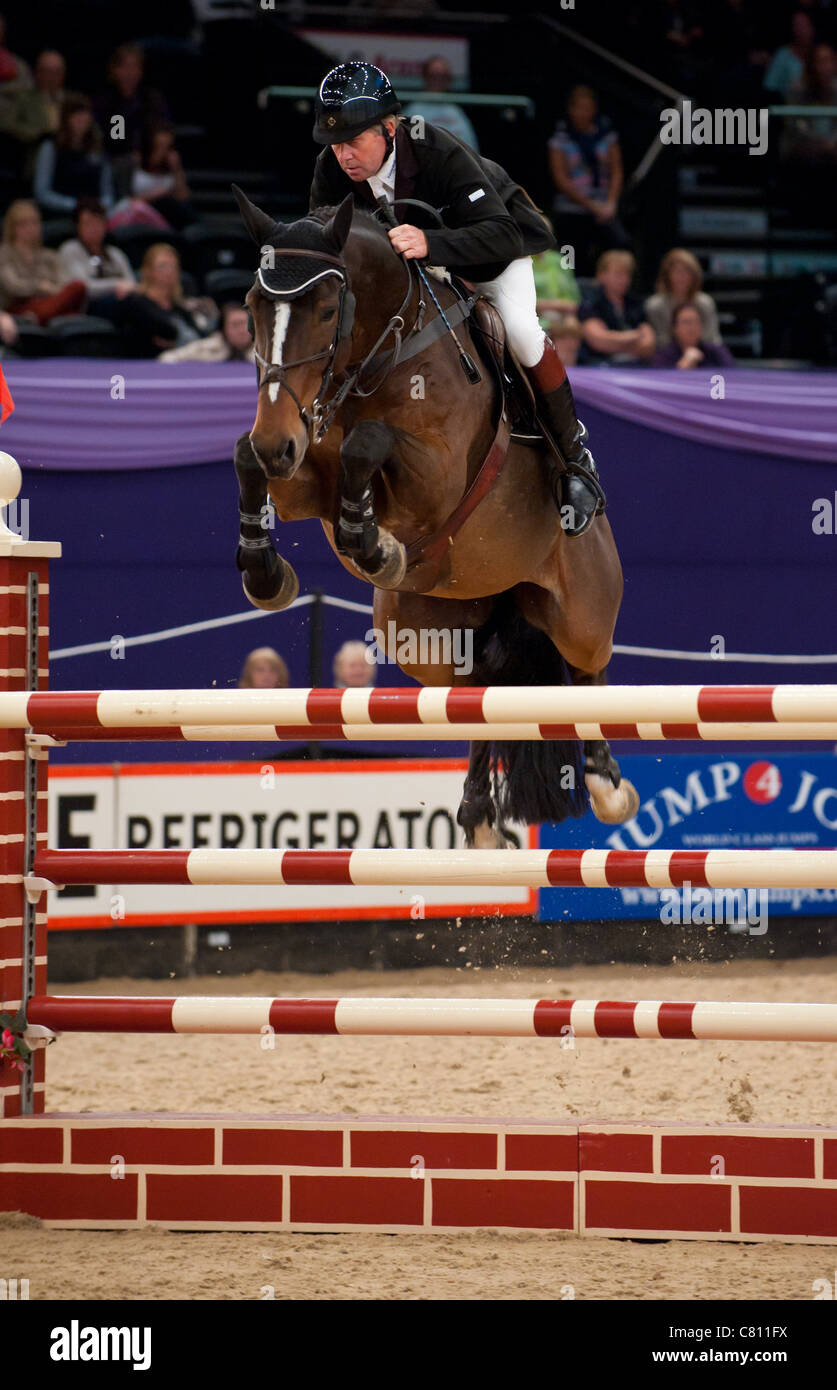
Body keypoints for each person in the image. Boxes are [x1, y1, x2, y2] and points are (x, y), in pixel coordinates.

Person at [309, 60, 601, 536]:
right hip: (415, 272)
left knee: (523, 333)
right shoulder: (332, 170)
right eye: (336, 143)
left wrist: (432, 243)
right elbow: (328, 251)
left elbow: (501, 236)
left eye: (354, 140)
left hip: (491, 255)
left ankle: (574, 458)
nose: (344, 155)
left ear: (389, 127)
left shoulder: (437, 149)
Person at [547, 85, 631, 275]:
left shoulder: (606, 135)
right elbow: (560, 179)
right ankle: (569, 290)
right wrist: (591, 205)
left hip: (604, 208)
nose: (584, 112)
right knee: (571, 255)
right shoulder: (560, 137)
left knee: (620, 243)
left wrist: (610, 204)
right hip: (572, 209)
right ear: (571, 109)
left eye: (588, 107)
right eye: (580, 108)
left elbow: (617, 171)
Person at [0, 199, 86, 325]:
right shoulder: (4, 254)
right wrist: (40, 286)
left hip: (50, 302)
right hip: (18, 306)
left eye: (34, 223)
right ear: (13, 228)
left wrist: (49, 289)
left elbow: (64, 282)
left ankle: (41, 318)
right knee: (71, 310)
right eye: (24, 224)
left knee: (78, 287)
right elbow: (14, 286)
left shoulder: (49, 255)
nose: (31, 229)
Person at [33, 93, 115, 215]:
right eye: (76, 114)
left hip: (96, 215)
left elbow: (107, 191)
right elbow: (42, 192)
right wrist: (76, 206)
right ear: (66, 118)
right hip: (61, 213)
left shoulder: (98, 148)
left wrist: (100, 206)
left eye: (85, 113)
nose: (82, 118)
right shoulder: (50, 148)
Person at [134, 242, 217, 352]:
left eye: (173, 266)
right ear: (148, 270)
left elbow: (199, 336)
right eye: (162, 266)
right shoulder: (136, 303)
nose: (169, 271)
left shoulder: (180, 308)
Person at [578, 249, 656, 366]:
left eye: (627, 274)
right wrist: (634, 336)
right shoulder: (591, 302)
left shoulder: (635, 303)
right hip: (600, 366)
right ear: (602, 275)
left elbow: (649, 345)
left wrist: (614, 341)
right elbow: (599, 341)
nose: (624, 280)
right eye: (618, 274)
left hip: (636, 367)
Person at [644, 248, 722, 348]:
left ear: (694, 276)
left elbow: (713, 339)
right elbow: (657, 341)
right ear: (667, 275)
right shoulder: (654, 306)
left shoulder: (705, 303)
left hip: (702, 354)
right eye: (677, 272)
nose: (682, 277)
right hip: (666, 357)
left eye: (687, 272)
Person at [402, 56, 479, 151]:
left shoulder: (456, 112)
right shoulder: (416, 111)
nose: (438, 80)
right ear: (425, 77)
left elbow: (471, 151)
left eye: (443, 76)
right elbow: (416, 149)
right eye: (433, 76)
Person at [131, 123, 196, 230]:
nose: (164, 150)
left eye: (168, 146)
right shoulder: (134, 162)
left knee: (173, 206)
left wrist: (176, 169)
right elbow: (127, 201)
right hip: (138, 213)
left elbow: (183, 197)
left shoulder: (172, 166)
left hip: (168, 216)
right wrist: (160, 193)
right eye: (160, 145)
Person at [159, 301, 255, 362]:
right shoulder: (208, 348)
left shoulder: (265, 352)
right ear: (223, 329)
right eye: (235, 325)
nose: (242, 331)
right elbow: (167, 358)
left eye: (245, 324)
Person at [652, 303, 736, 367]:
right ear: (674, 328)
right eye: (686, 322)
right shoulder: (663, 357)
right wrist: (685, 364)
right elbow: (663, 385)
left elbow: (732, 375)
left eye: (696, 322)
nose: (692, 327)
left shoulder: (715, 352)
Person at [765, 10, 816, 98]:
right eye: (797, 25)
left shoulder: (822, 54)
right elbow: (770, 86)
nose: (800, 30)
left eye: (804, 25)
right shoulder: (782, 55)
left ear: (812, 28)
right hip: (787, 107)